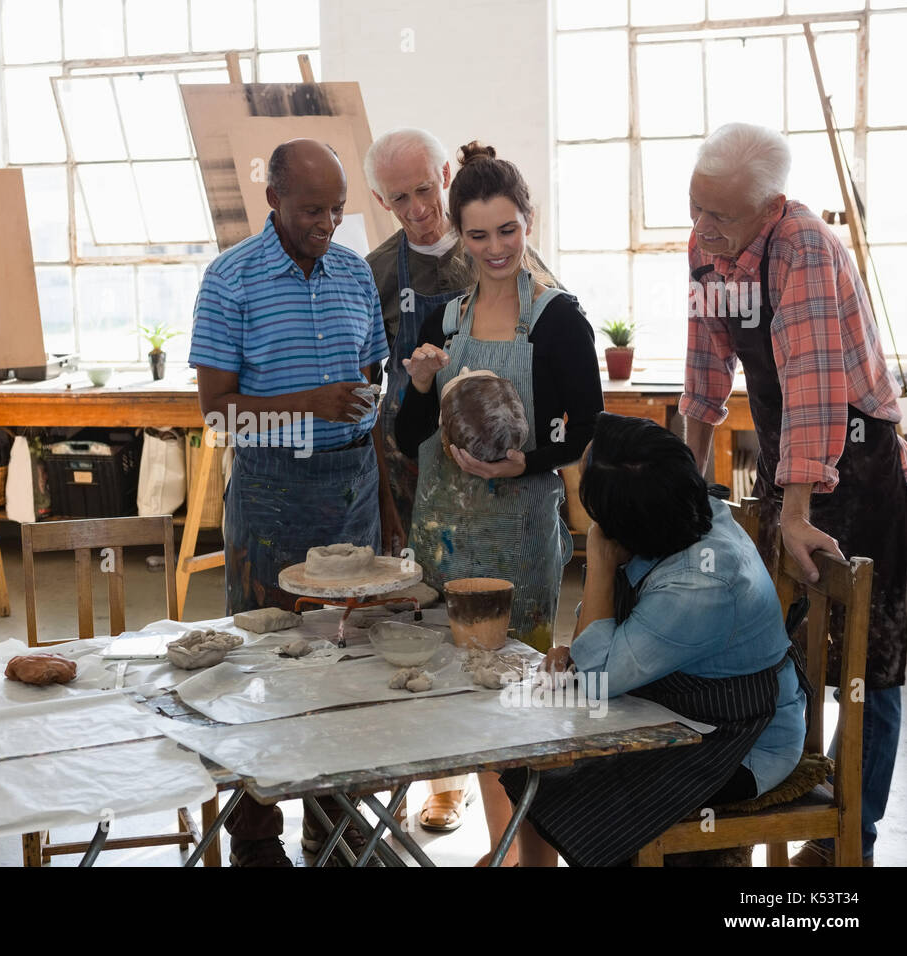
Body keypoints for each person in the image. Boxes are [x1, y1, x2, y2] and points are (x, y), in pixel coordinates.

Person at [680, 123, 907, 866]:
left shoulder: (802, 245)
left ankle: (849, 841)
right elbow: (704, 370)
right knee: (784, 651)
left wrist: (799, 512)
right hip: (791, 464)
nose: (704, 231)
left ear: (771, 204)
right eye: (696, 209)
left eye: (722, 216)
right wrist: (690, 482)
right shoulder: (709, 246)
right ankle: (773, 798)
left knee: (868, 667)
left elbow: (814, 388)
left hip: (863, 463)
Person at [394, 141, 603, 862]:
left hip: (520, 541)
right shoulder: (442, 325)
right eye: (478, 235)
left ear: (528, 223)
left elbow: (584, 425)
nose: (495, 248)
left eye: (507, 230)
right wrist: (421, 387)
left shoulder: (557, 321)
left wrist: (525, 461)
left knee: (521, 708)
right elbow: (405, 436)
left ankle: (532, 856)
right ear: (461, 234)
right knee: (461, 704)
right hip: (445, 543)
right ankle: (500, 845)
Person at [189, 138, 396, 866]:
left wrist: (386, 506)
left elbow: (366, 394)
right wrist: (313, 401)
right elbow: (219, 416)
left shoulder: (352, 274)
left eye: (338, 208)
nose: (329, 223)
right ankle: (255, 837)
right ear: (272, 199)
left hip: (352, 488)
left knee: (349, 656)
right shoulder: (230, 280)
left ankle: (334, 822)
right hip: (274, 488)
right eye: (313, 209)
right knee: (263, 657)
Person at [501, 413, 808, 866]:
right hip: (683, 704)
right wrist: (586, 648)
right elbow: (594, 660)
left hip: (739, 742)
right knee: (531, 750)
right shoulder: (681, 507)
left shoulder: (700, 584)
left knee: (572, 785)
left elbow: (599, 680)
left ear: (623, 526)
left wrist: (601, 563)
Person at [364, 128, 558, 833]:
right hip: (423, 485)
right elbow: (382, 395)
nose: (418, 209)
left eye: (425, 189)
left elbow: (561, 377)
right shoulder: (377, 272)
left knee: (509, 666)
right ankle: (445, 784)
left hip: (512, 496)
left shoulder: (500, 249)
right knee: (438, 643)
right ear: (381, 201)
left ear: (445, 175)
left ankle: (517, 821)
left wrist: (528, 458)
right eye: (400, 198)